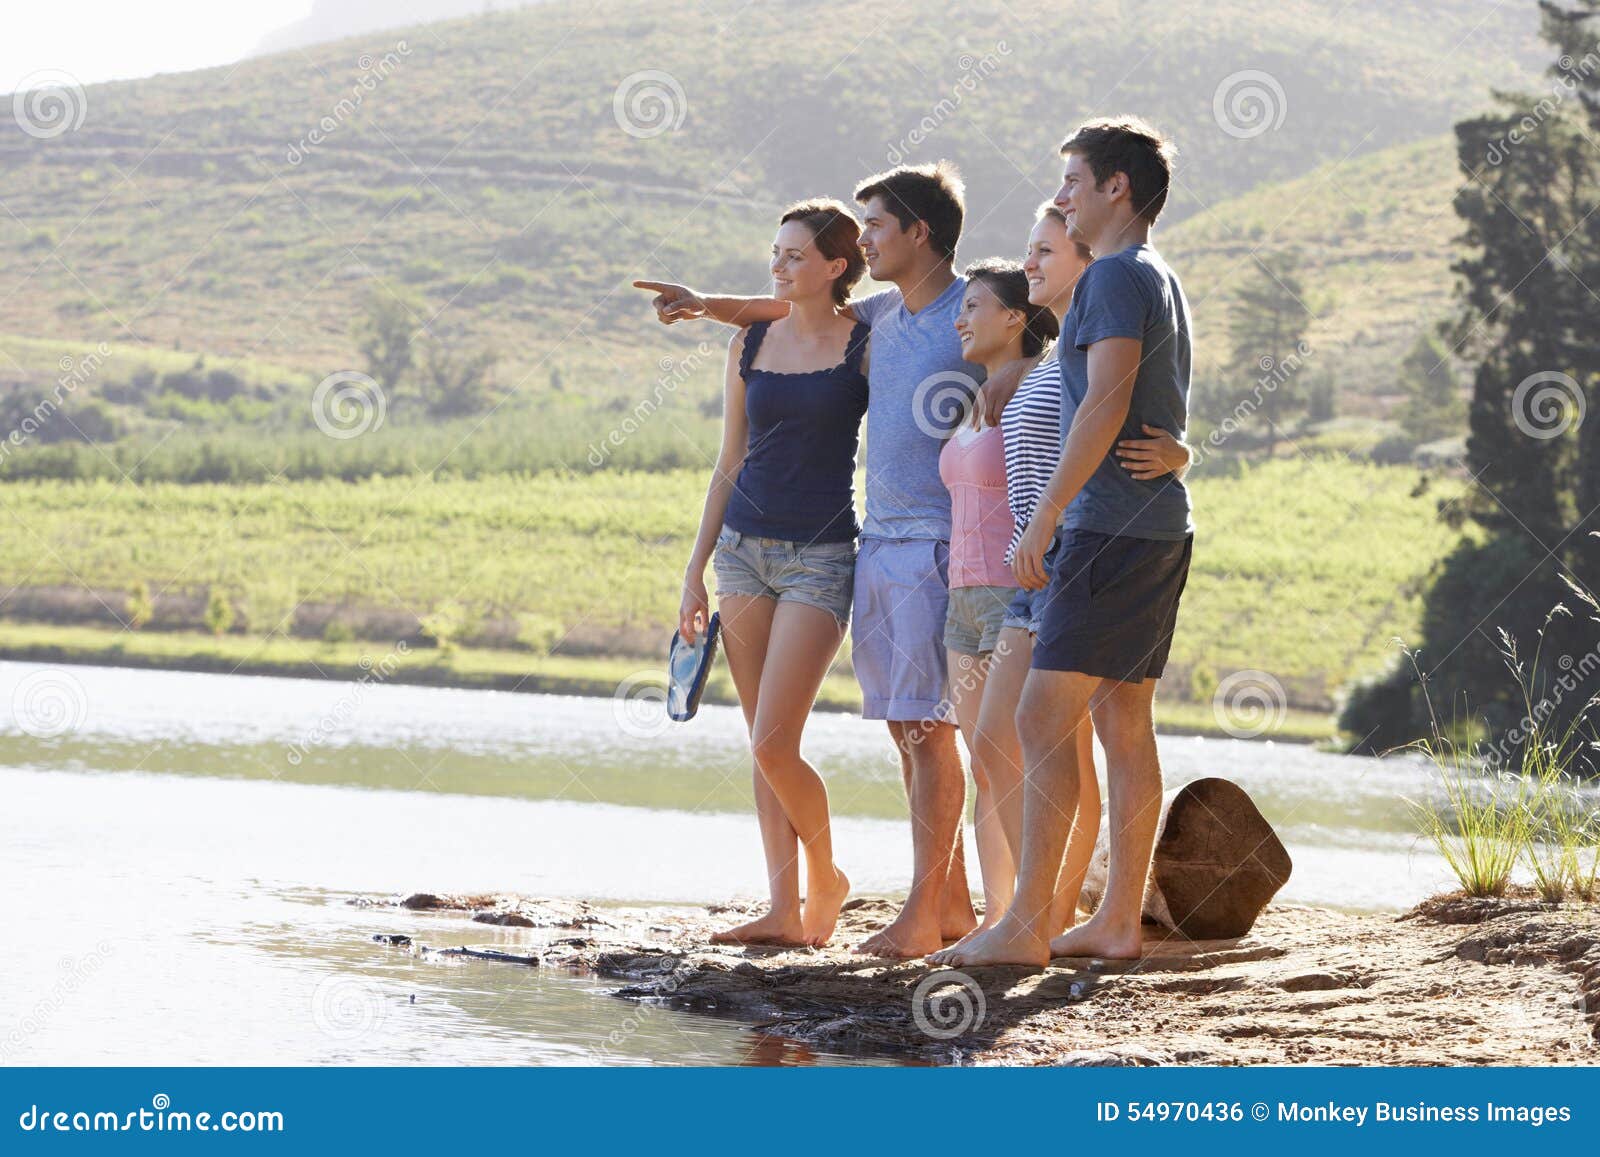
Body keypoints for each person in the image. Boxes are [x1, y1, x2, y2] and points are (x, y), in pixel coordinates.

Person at [637, 162, 1037, 957]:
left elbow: (1038, 332)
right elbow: (785, 311)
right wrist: (700, 303)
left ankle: (923, 908)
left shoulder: (973, 307)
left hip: (937, 548)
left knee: (929, 731)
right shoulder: (878, 318)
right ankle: (940, 902)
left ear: (919, 233)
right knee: (905, 732)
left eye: (877, 228)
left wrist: (1027, 369)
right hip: (876, 546)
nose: (865, 242)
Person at [940, 116, 1196, 968]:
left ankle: (1025, 925)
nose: (1062, 199)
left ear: (1115, 187)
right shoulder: (1151, 273)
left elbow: (1107, 399)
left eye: (1073, 183)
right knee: (1123, 721)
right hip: (1151, 528)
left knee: (1038, 715)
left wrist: (1047, 513)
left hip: (1109, 529)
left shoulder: (1118, 276)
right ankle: (1115, 920)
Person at [677, 198, 868, 948]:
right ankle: (783, 907)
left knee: (773, 742)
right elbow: (729, 460)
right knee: (760, 735)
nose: (779, 265)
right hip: (743, 551)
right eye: (776, 252)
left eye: (795, 255)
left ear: (836, 266)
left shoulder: (866, 344)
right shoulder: (750, 343)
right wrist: (694, 570)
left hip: (822, 557)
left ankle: (828, 876)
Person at [937, 257, 1055, 942]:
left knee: (1004, 747)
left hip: (1015, 590)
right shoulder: (976, 399)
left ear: (1015, 317)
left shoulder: (1034, 388)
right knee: (986, 761)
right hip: (962, 600)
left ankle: (1035, 909)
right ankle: (998, 913)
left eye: (975, 306)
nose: (962, 318)